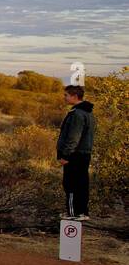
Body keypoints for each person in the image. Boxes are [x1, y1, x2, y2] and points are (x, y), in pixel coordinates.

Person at [57, 84, 95, 221]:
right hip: (84, 154)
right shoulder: (87, 112)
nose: (64, 98)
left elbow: (74, 137)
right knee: (81, 184)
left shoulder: (77, 114)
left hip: (75, 155)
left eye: (66, 95)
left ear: (74, 96)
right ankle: (82, 213)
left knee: (71, 184)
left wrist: (65, 155)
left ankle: (73, 213)